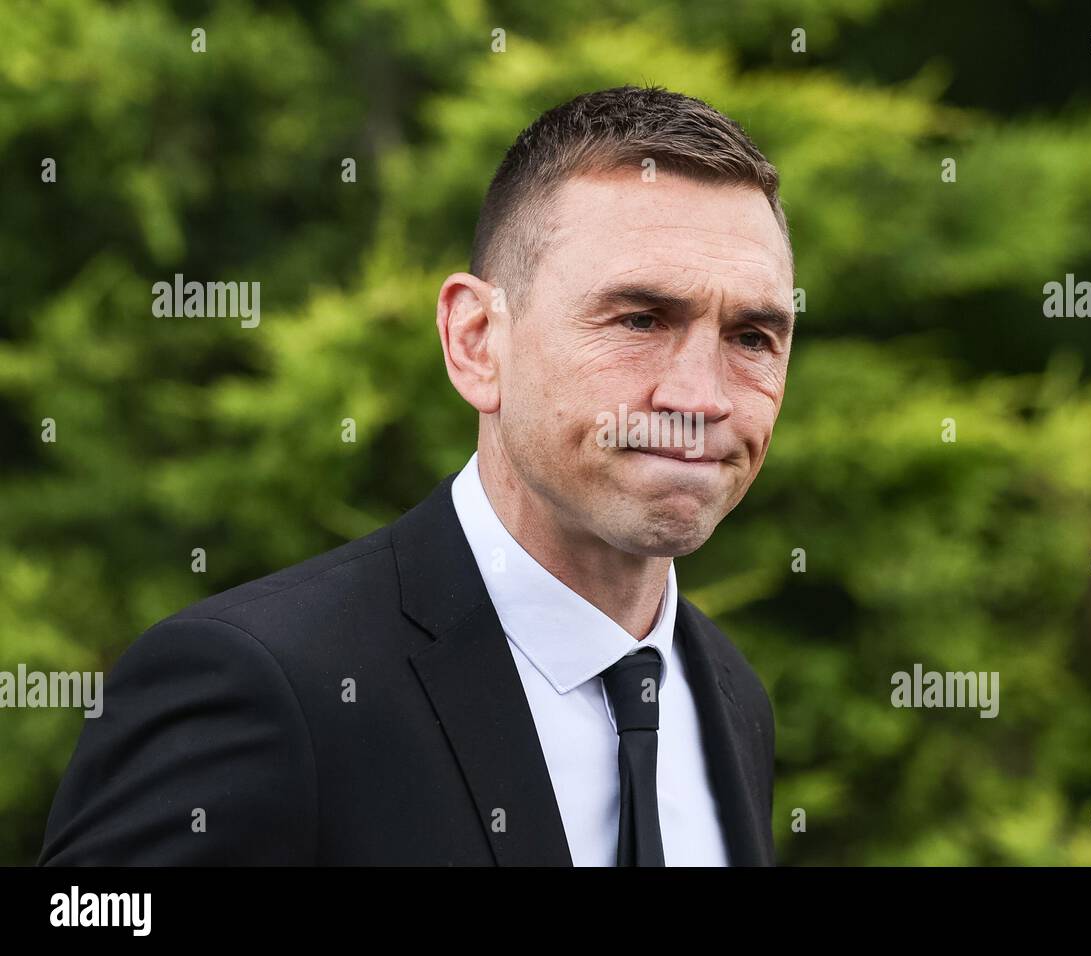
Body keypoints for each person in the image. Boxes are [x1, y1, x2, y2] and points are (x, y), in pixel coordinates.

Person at [39, 84, 795, 866]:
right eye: (639, 320)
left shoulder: (730, 699)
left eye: (752, 336)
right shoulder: (264, 687)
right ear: (475, 342)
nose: (699, 397)